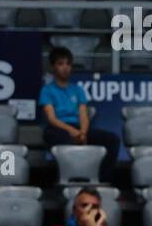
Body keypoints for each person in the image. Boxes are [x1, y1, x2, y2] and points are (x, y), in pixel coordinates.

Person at [38, 45, 120, 183]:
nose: (65, 67)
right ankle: (68, 180)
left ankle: (102, 180)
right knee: (65, 139)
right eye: (60, 64)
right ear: (53, 67)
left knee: (112, 139)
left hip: (79, 128)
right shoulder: (47, 91)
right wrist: (72, 131)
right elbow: (51, 118)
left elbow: (83, 115)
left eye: (68, 64)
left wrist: (82, 132)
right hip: (58, 129)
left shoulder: (78, 90)